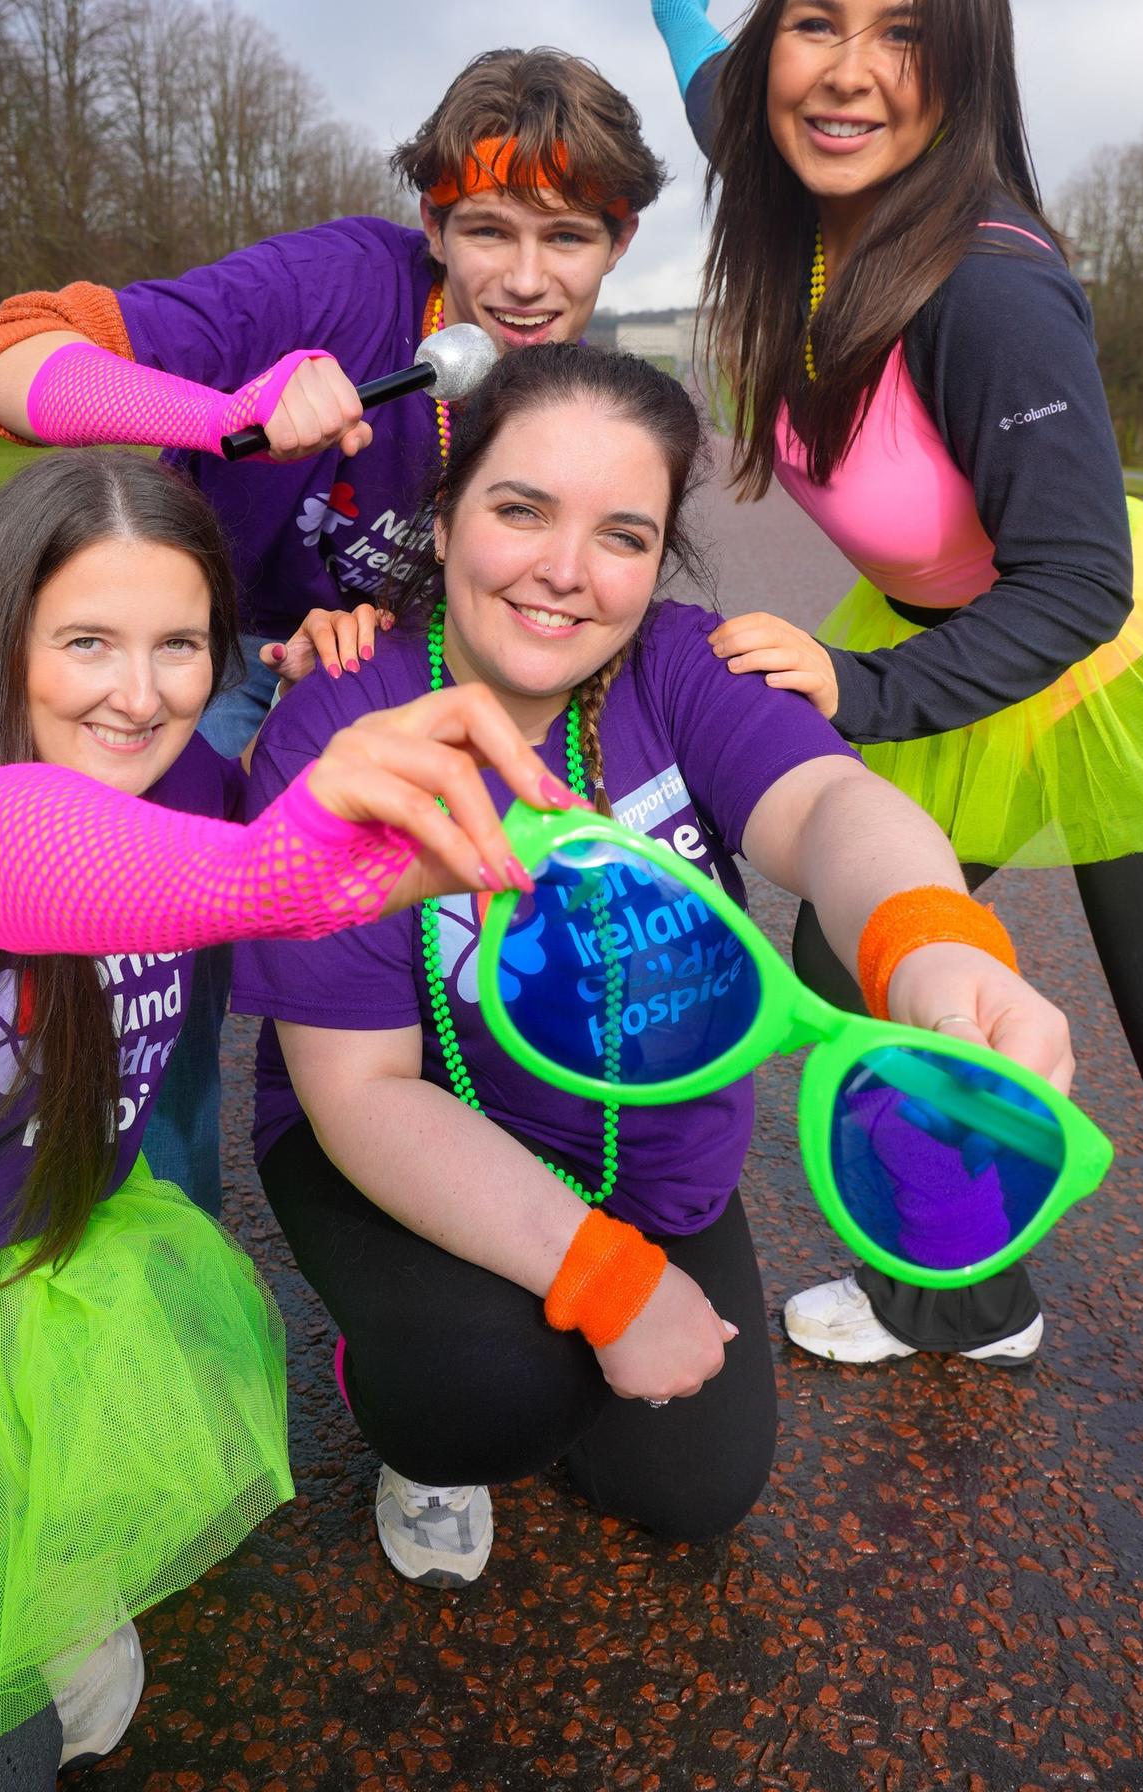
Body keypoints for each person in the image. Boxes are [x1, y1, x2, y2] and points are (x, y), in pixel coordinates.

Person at [0, 447, 571, 1791]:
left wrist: (344, 678)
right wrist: (267, 872)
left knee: (35, 1660)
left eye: (179, 646)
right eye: (86, 640)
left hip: (47, 1264)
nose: (136, 695)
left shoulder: (195, 788)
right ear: (2, 631)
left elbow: (264, 856)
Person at [231, 344, 1076, 1590]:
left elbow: (830, 806)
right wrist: (604, 1283)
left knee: (691, 1495)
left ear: (661, 555)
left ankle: (543, 1335)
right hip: (396, 1143)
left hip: (652, 1163)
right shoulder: (338, 720)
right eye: (521, 510)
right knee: (481, 1391)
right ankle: (406, 1385)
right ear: (450, 511)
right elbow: (359, 1091)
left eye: (621, 533)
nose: (565, 571)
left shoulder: (679, 665)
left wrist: (932, 942)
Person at [0, 46, 664, 1216]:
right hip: (202, 654)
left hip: (360, 671)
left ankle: (427, 1205)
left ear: (619, 242)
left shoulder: (565, 388)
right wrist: (224, 410)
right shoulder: (334, 283)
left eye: (568, 237)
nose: (525, 279)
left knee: (460, 883)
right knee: (150, 938)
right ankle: (149, 1224)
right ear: (433, 224)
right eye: (488, 230)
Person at [649, 0, 1143, 1368]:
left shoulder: (988, 287)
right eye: (815, 24)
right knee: (863, 973)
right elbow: (708, 83)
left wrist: (856, 691)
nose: (849, 73)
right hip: (946, 641)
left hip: (1094, 672)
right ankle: (967, 1307)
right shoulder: (787, 171)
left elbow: (1076, 583)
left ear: (968, 59)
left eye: (903, 35)